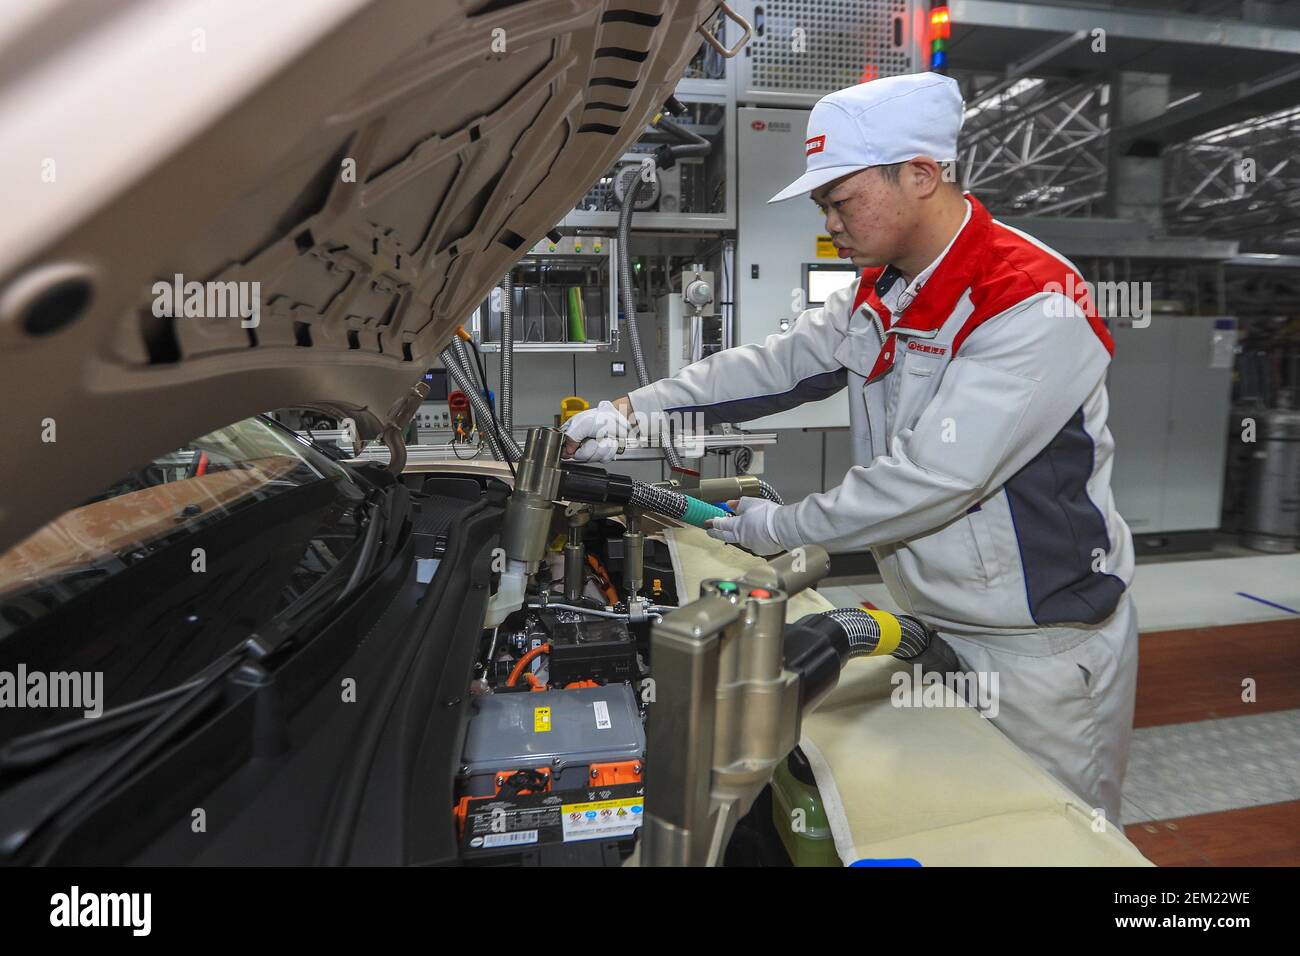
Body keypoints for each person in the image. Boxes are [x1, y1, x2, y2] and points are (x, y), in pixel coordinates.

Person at [560, 72, 1138, 825]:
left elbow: (935, 479)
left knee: (1046, 835)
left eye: (842, 198)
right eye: (822, 203)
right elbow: (772, 368)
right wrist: (633, 412)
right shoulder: (882, 292)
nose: (829, 219)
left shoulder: (1030, 302)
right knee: (956, 825)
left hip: (1041, 654)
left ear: (922, 175)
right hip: (935, 620)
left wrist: (772, 529)